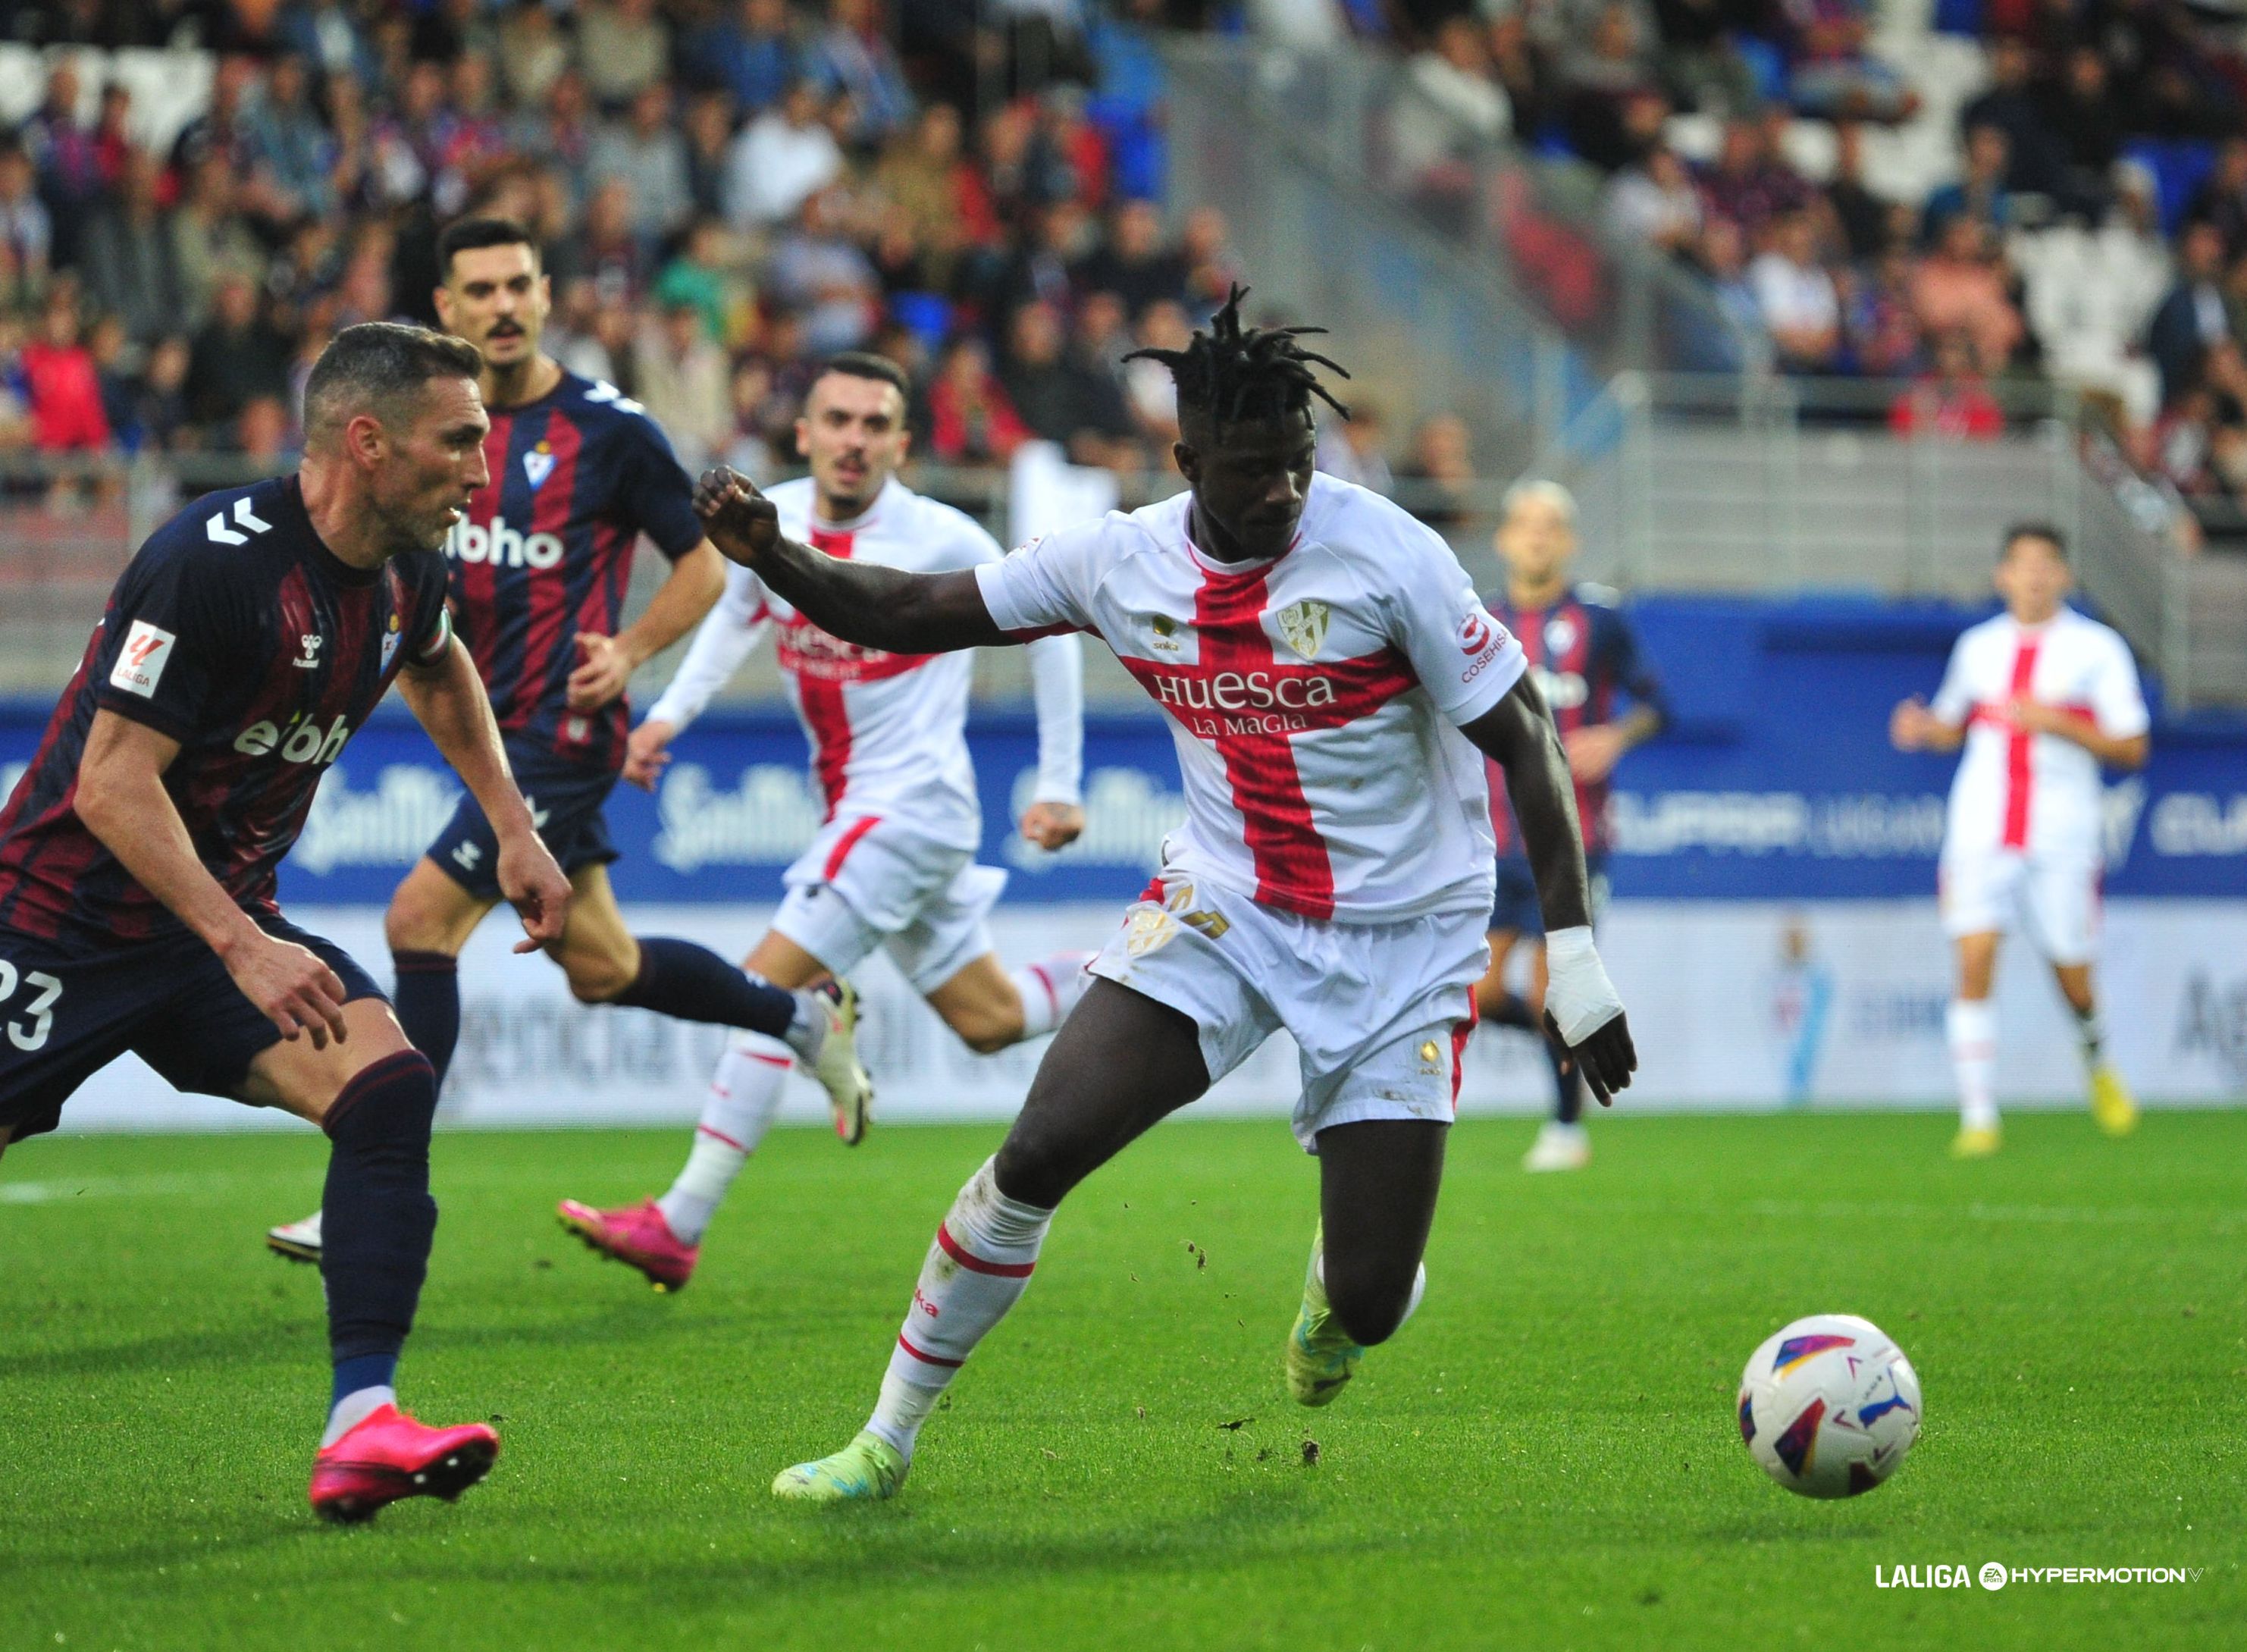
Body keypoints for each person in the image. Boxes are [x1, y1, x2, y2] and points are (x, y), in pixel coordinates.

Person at [682, 287, 1637, 1503]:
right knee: (1035, 1150)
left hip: (1407, 943)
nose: (1286, 492)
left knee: (1374, 1301)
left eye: (1299, 463)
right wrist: (774, 555)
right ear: (1186, 461)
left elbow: (1529, 738)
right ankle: (884, 1438)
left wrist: (1577, 957)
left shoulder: (1391, 551)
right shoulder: (1120, 560)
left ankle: (1336, 1297)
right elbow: (913, 611)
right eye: (1254, 471)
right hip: (1226, 906)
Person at [0, 322, 575, 1521]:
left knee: (385, 1088)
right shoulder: (210, 564)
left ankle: (362, 1423)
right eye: (459, 439)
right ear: (367, 443)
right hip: (56, 923)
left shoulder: (412, 562)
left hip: (216, 930)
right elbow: (110, 783)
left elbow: (439, 662)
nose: (483, 465)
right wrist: (241, 940)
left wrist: (513, 826)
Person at [263, 218, 862, 1267]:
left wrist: (630, 649)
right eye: (478, 289)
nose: (500, 305)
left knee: (419, 920)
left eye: (518, 285)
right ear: (442, 309)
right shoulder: (416, 428)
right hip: (492, 738)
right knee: (605, 965)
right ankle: (806, 1020)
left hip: (563, 732)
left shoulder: (609, 429)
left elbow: (704, 567)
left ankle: (378, 1185)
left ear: (547, 296)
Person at [556, 353, 1092, 1289]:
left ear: (902, 443)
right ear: (802, 433)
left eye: (874, 424)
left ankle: (679, 1221)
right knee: (991, 1017)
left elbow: (1048, 630)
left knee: (765, 986)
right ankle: (1150, 962)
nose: (854, 440)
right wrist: (670, 715)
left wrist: (1059, 782)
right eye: (837, 420)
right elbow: (733, 610)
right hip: (863, 809)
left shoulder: (939, 534)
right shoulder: (773, 524)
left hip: (911, 807)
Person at [1890, 524, 2148, 1158]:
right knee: (1974, 957)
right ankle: (1979, 1117)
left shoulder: (2098, 649)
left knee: (2074, 977)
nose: (2033, 575)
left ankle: (2099, 1059)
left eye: (2046, 564)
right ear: (2002, 574)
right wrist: (1925, 729)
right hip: (1980, 827)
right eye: (2021, 564)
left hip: (2062, 832)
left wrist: (2057, 721)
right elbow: (1957, 725)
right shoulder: (1978, 647)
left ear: (2064, 575)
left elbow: (2133, 746)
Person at [1474, 481, 1665, 1172]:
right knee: (1483, 993)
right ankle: (1582, 1041)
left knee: (1561, 983)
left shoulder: (1601, 620)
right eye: (1524, 524)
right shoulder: (1477, 620)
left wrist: (1616, 736)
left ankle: (1566, 1129)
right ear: (1503, 538)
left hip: (1575, 844)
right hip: (1493, 842)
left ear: (1569, 541)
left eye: (1550, 525)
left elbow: (1657, 703)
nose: (1536, 536)